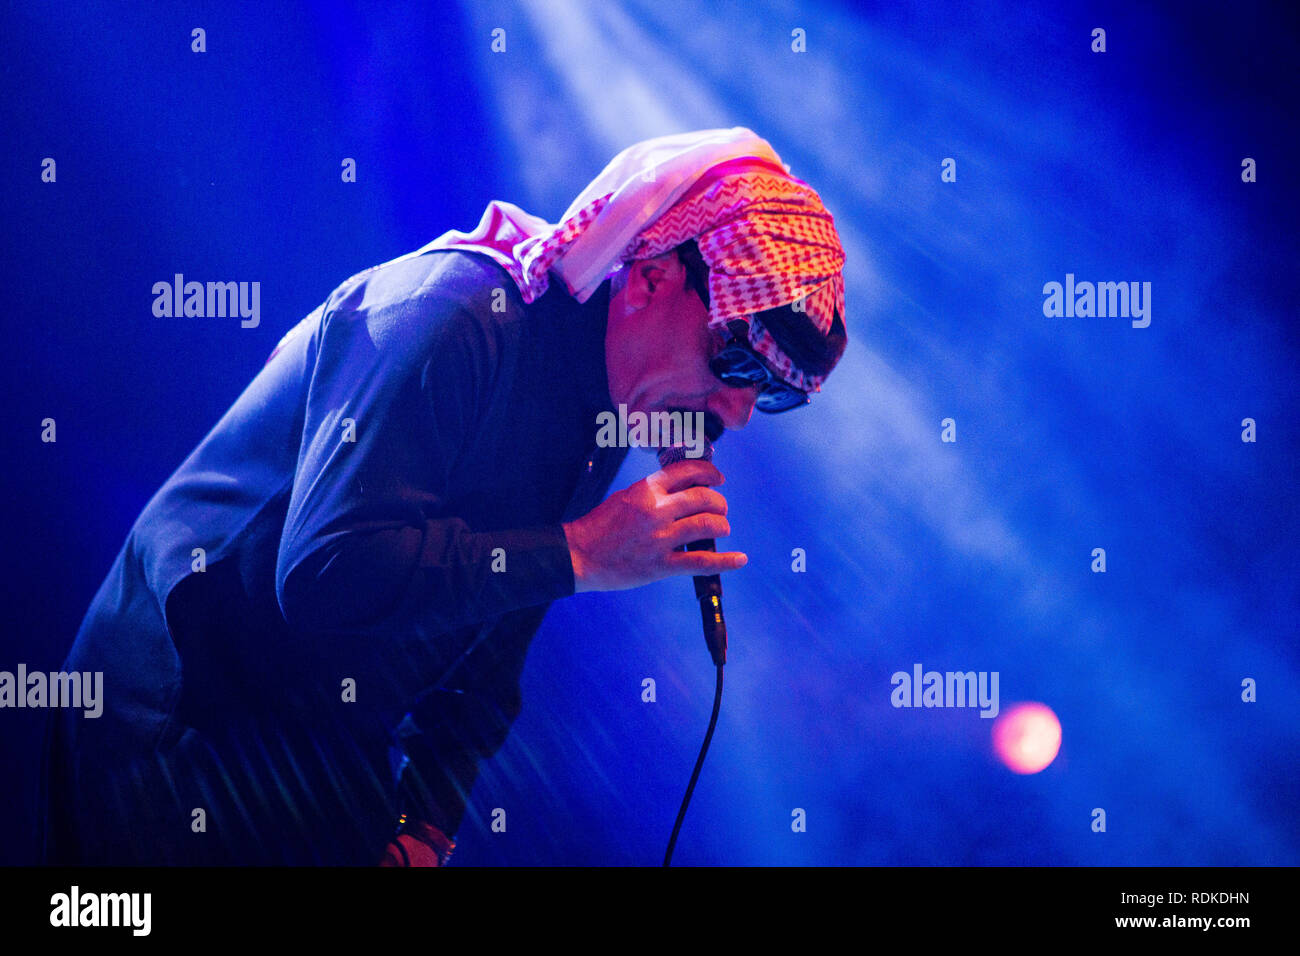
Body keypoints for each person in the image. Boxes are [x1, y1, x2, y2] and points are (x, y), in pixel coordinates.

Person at [38, 127, 848, 865]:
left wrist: (427, 819)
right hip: (184, 717)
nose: (740, 409)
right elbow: (325, 570)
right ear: (653, 277)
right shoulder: (452, 314)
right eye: (738, 360)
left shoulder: (603, 405)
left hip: (325, 740)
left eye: (773, 392)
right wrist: (580, 553)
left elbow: (490, 642)